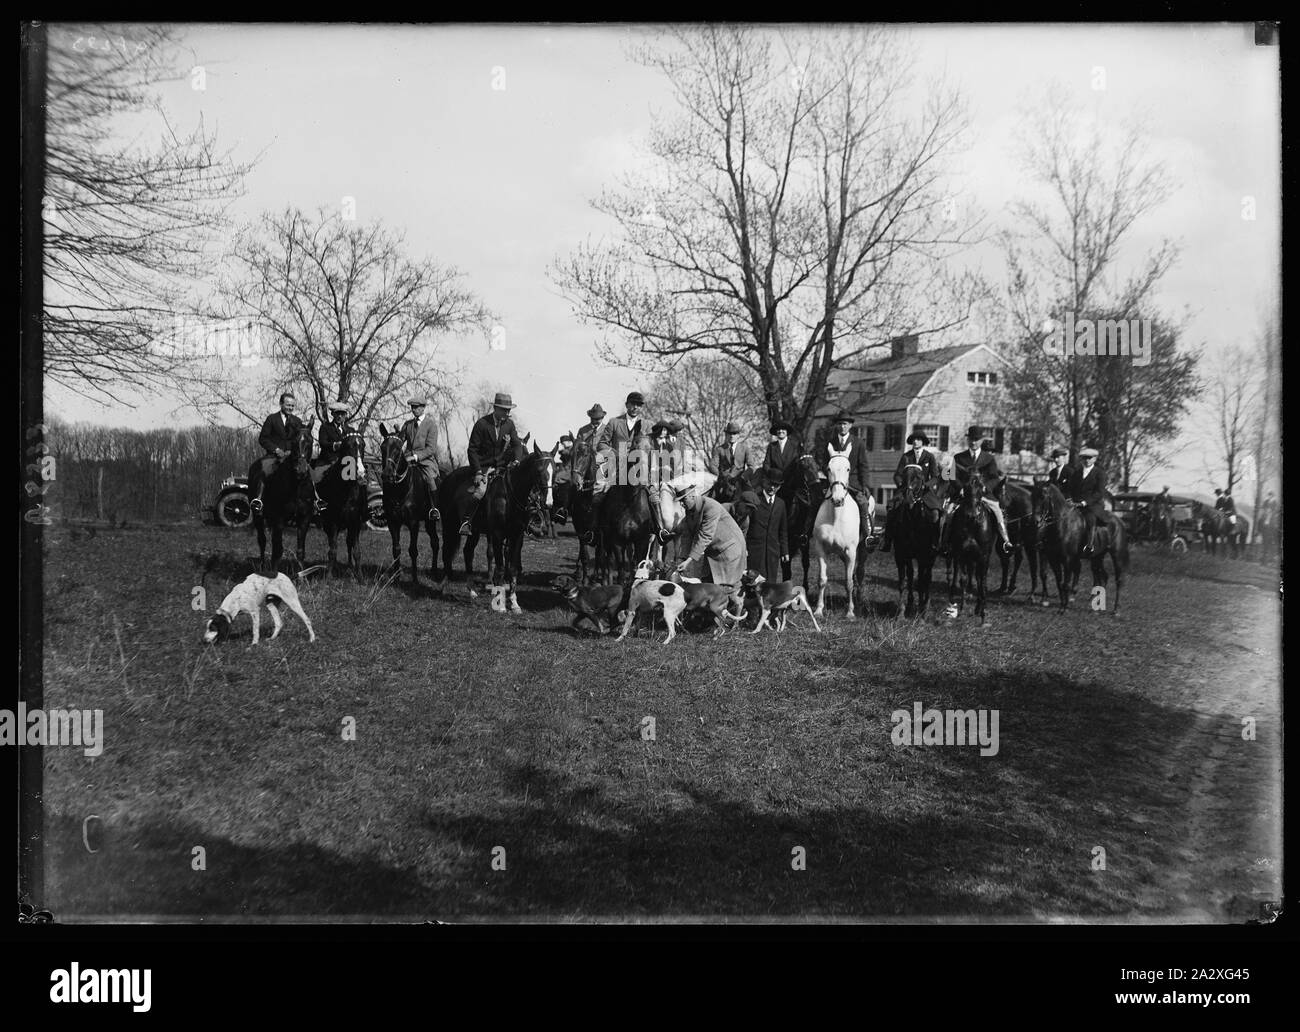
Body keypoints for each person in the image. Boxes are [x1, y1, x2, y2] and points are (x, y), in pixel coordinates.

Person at [940, 426, 1014, 556]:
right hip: (963, 495)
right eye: (971, 440)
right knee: (948, 513)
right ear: (968, 440)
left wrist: (986, 487)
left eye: (976, 440)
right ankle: (943, 542)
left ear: (981, 441)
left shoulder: (989, 459)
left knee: (998, 512)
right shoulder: (959, 457)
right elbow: (952, 476)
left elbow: (994, 478)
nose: (973, 442)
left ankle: (1005, 541)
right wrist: (960, 488)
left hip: (984, 495)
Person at [460, 392, 520, 535]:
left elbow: (517, 444)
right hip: (484, 467)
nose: (507, 412)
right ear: (496, 409)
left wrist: (517, 460)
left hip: (503, 467)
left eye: (509, 410)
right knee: (480, 491)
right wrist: (478, 472)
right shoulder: (482, 424)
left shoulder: (509, 425)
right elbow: (472, 450)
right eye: (504, 409)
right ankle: (467, 521)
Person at [673, 479, 748, 590]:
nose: (682, 504)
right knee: (708, 588)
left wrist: (689, 560)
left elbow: (705, 536)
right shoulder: (689, 511)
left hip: (730, 551)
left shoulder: (710, 507)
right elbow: (686, 536)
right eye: (680, 501)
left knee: (726, 591)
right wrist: (682, 558)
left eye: (684, 500)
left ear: (693, 495)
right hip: (713, 552)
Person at [818, 412, 875, 553]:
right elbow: (825, 463)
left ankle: (867, 535)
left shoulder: (858, 442)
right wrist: (832, 479)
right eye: (840, 424)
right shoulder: (830, 443)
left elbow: (863, 466)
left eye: (845, 424)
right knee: (816, 503)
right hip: (834, 483)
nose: (842, 426)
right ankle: (809, 532)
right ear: (837, 425)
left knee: (863, 503)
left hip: (853, 483)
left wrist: (864, 485)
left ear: (850, 425)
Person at [880, 429, 941, 553]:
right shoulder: (906, 456)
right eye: (913, 439)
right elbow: (897, 474)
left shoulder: (929, 457)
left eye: (918, 439)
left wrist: (926, 485)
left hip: (924, 491)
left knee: (935, 512)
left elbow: (935, 477)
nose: (915, 441)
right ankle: (887, 540)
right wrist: (902, 484)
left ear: (923, 442)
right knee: (892, 508)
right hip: (906, 490)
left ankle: (935, 542)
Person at [250, 392, 307, 515]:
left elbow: (300, 440)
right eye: (288, 405)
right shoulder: (272, 419)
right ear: (281, 404)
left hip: (292, 457)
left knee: (307, 472)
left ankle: (314, 501)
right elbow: (263, 438)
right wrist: (276, 450)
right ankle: (258, 500)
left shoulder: (297, 421)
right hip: (274, 456)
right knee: (263, 471)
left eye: (292, 406)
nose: (290, 408)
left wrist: (292, 451)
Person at [399, 396, 441, 522]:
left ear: (423, 408)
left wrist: (416, 457)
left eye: (416, 407)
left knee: (430, 480)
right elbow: (400, 441)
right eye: (412, 407)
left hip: (425, 461)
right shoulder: (407, 424)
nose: (413, 410)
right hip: (407, 459)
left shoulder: (431, 425)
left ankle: (434, 508)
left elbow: (431, 448)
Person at [744, 469, 789, 582]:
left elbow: (783, 530)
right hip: (755, 550)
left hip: (773, 551)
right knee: (754, 582)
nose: (772, 488)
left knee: (770, 583)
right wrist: (744, 547)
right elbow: (745, 527)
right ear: (764, 482)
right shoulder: (755, 500)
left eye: (776, 485)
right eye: (770, 484)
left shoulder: (781, 504)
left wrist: (784, 550)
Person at [1069, 447, 1108, 554]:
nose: (1087, 460)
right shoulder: (1076, 473)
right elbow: (1071, 488)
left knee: (1090, 519)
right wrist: (1070, 500)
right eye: (1084, 458)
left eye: (1089, 458)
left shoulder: (1100, 473)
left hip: (1093, 505)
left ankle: (1090, 545)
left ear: (1095, 459)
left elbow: (1099, 493)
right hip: (1076, 504)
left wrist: (1084, 502)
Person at [762, 420, 801, 503]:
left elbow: (798, 464)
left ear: (787, 431)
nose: (780, 431)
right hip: (775, 485)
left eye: (783, 429)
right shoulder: (771, 446)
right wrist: (773, 475)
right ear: (776, 432)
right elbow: (766, 464)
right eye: (778, 430)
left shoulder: (795, 445)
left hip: (791, 484)